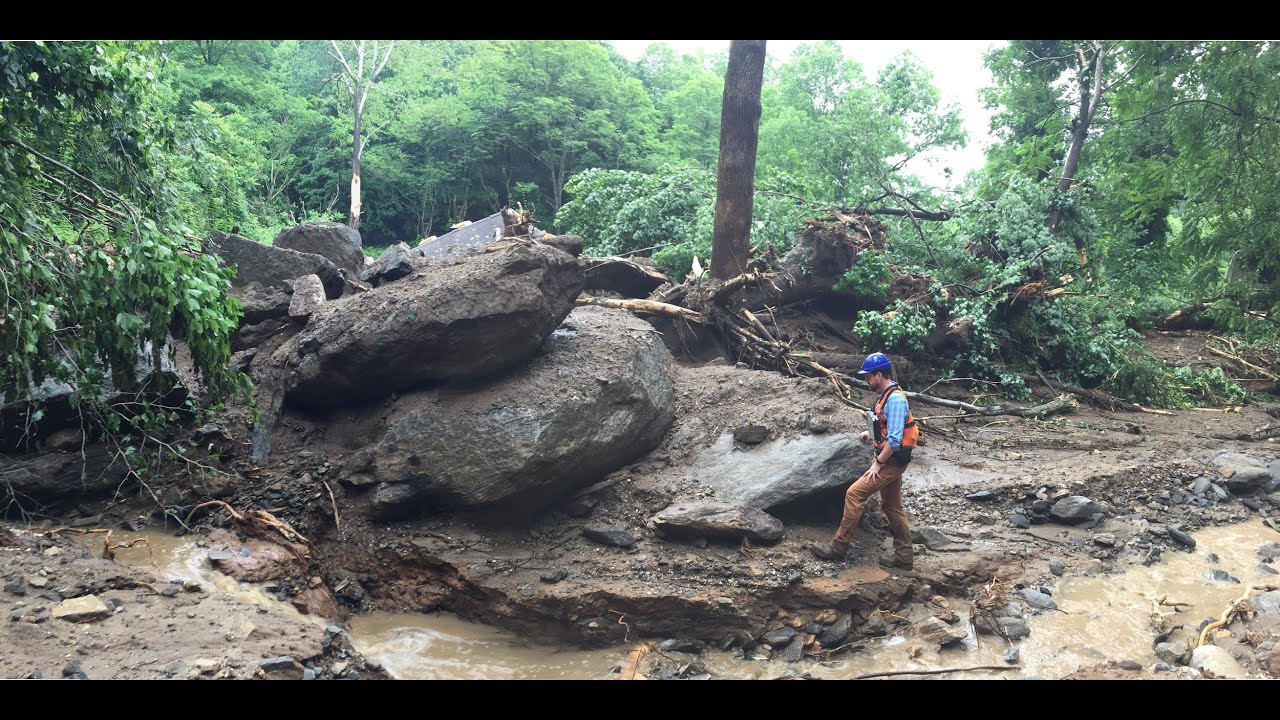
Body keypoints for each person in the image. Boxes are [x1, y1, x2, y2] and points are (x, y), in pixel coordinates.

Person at [805, 352, 918, 569]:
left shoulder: (894, 399)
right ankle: (904, 556)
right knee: (892, 506)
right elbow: (886, 428)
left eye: (868, 376)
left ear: (878, 374)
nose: (866, 380)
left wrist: (878, 463)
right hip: (892, 459)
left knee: (854, 493)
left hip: (891, 461)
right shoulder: (886, 394)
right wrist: (871, 435)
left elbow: (894, 441)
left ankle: (838, 547)